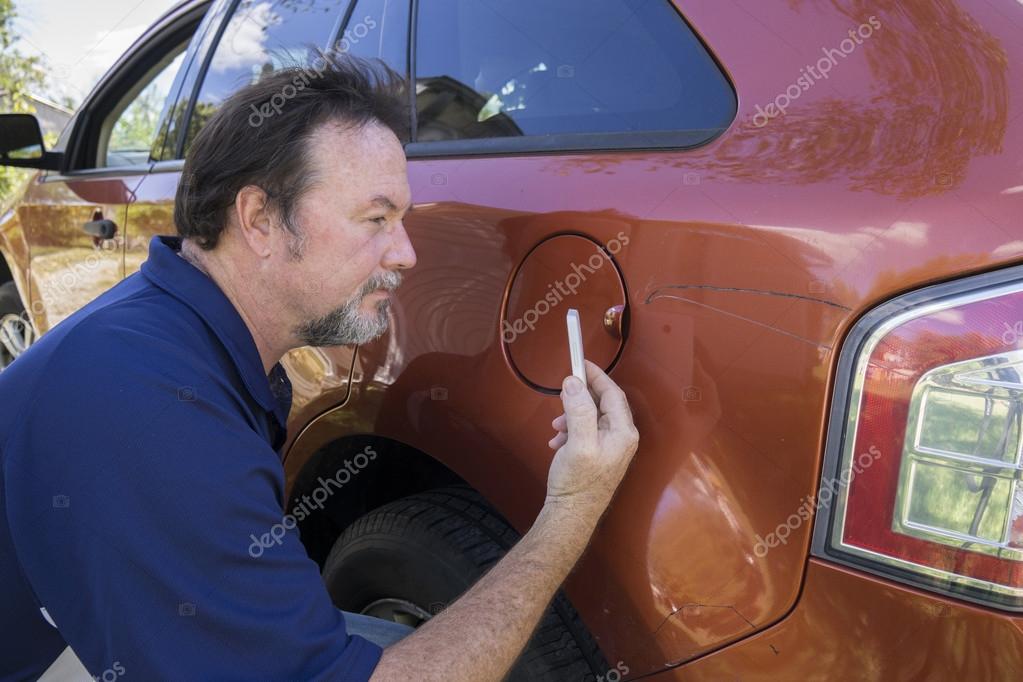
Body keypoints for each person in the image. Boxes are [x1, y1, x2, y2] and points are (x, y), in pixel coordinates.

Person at [0, 55, 639, 681]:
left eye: (402, 221)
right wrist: (571, 511)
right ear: (259, 221)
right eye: (376, 219)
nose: (406, 253)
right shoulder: (152, 405)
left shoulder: (177, 337)